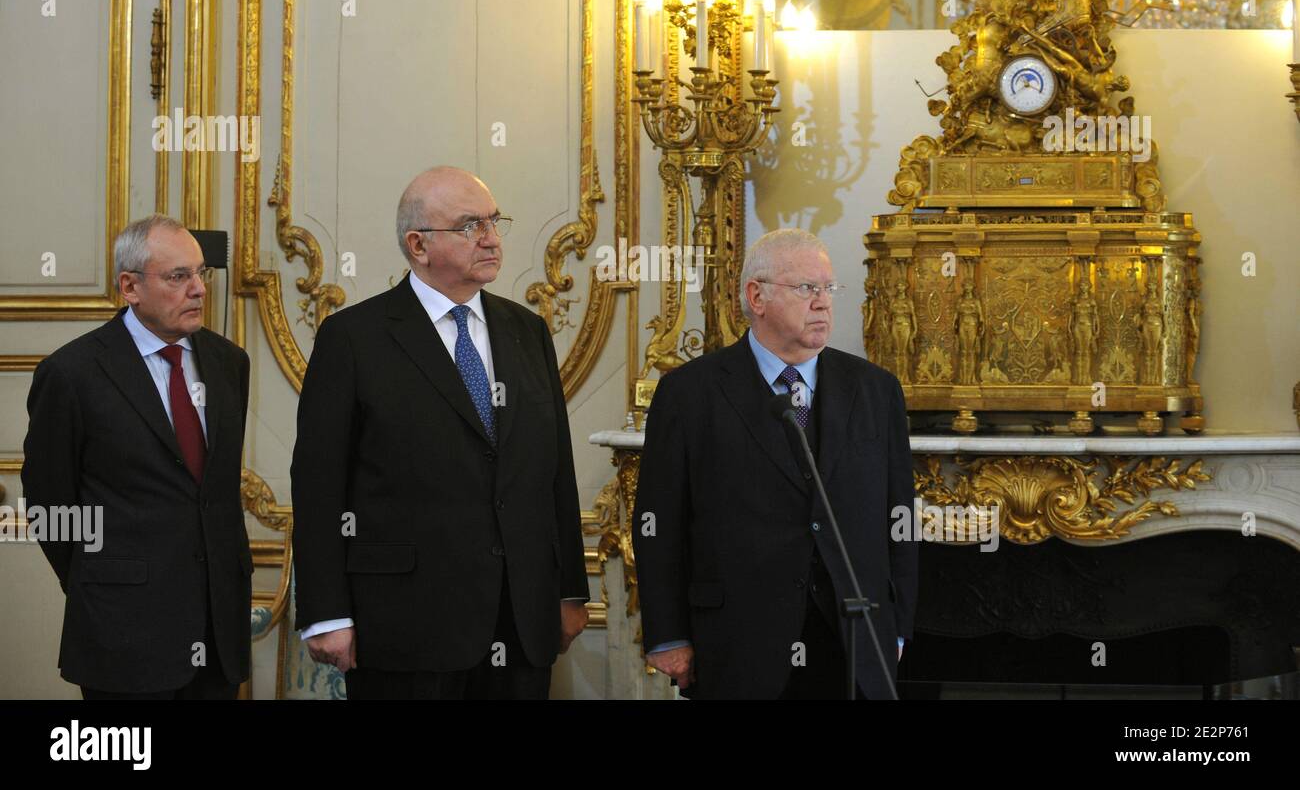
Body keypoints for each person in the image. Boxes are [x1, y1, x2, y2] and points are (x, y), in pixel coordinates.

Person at [291, 166, 589, 699]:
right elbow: (318, 485)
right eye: (471, 225)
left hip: (520, 621)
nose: (492, 238)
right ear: (418, 244)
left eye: (495, 222)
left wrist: (570, 592)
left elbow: (555, 471)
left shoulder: (528, 332)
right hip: (404, 626)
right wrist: (325, 613)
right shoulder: (354, 338)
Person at [632, 228, 917, 699]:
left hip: (853, 640)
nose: (823, 302)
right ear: (756, 296)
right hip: (738, 640)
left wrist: (898, 625)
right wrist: (669, 635)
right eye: (806, 289)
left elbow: (899, 516)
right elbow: (658, 523)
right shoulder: (690, 393)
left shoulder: (875, 390)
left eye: (829, 289)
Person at [21, 214, 252, 699]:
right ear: (130, 286)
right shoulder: (71, 374)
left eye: (201, 273)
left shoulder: (230, 363)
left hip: (216, 632)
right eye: (178, 276)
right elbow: (49, 505)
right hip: (121, 633)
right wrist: (102, 582)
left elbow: (213, 494)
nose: (198, 289)